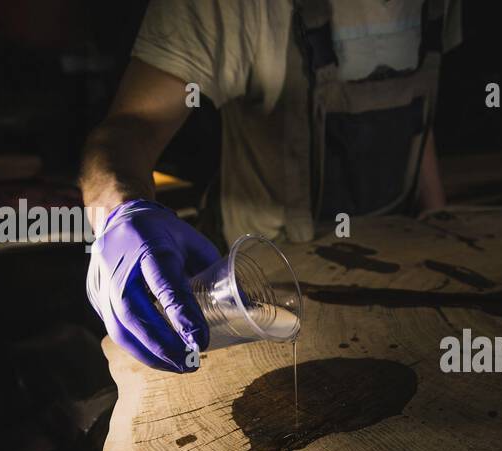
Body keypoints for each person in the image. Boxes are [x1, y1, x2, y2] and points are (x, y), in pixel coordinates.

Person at [81, 0, 462, 372]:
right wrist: (120, 211)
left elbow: (417, 117)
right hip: (258, 293)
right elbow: (129, 128)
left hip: (397, 277)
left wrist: (437, 222)